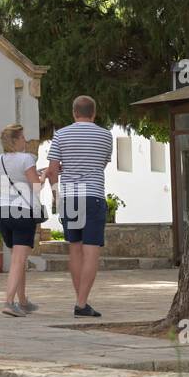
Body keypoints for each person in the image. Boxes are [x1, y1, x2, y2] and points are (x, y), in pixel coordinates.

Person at [44, 95, 113, 317]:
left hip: (71, 197)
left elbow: (52, 170)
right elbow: (100, 164)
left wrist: (56, 196)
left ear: (74, 113)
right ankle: (82, 304)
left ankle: (80, 300)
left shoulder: (61, 135)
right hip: (93, 195)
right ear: (94, 113)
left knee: (75, 248)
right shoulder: (105, 136)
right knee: (91, 251)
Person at [0, 124, 45, 317]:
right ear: (15, 140)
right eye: (23, 137)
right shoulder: (27, 158)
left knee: (18, 258)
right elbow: (36, 187)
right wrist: (45, 176)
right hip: (23, 211)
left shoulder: (0, 160)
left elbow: (16, 179)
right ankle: (9, 302)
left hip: (3, 211)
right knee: (18, 260)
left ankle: (23, 300)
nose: (25, 140)